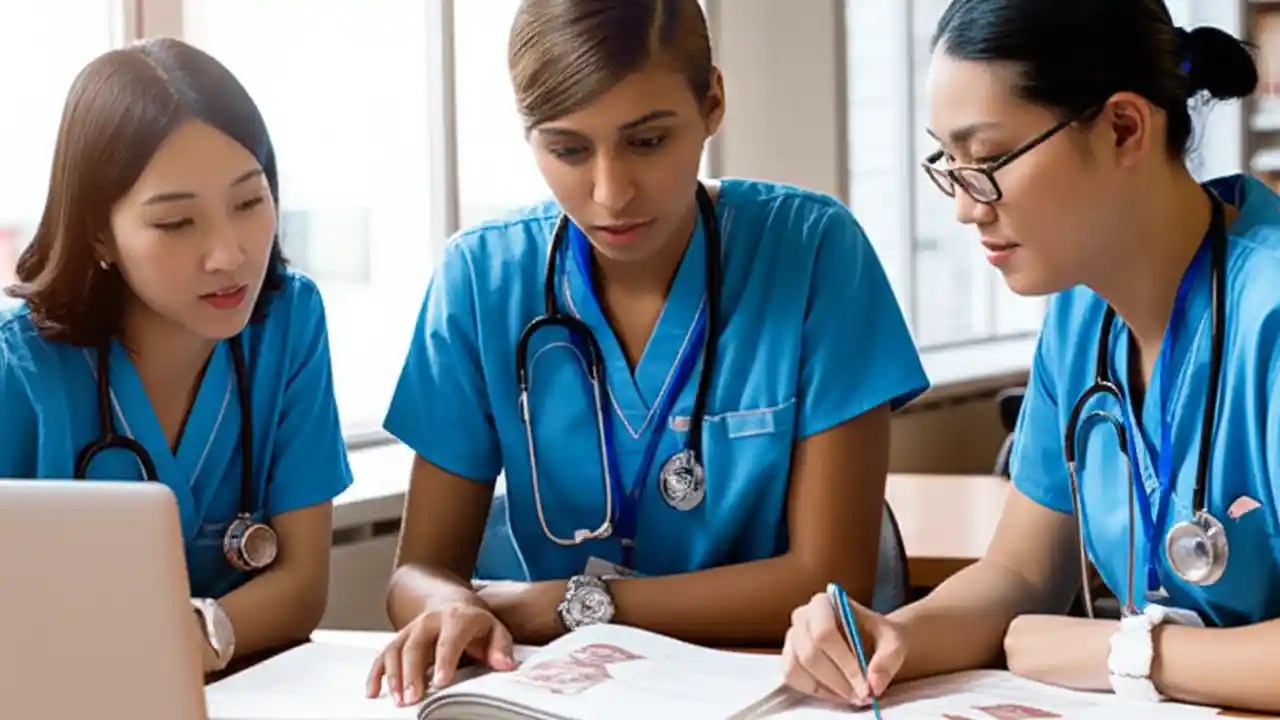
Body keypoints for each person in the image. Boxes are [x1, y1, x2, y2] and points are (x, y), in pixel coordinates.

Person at [367, 0, 928, 706]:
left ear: (712, 102)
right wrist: (449, 606)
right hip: (559, 695)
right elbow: (417, 572)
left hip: (774, 688)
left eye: (648, 141)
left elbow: (829, 580)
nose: (611, 192)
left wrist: (571, 605)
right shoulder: (482, 278)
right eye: (568, 150)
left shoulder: (814, 251)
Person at [781, 0, 1280, 714]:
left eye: (987, 160)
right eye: (949, 163)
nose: (965, 206)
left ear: (1123, 128)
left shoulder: (1270, 312)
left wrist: (1127, 653)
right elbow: (1021, 575)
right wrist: (890, 637)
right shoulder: (1082, 316)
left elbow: (1065, 635)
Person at [0, 38, 353, 676]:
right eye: (176, 223)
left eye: (249, 202)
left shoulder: (288, 319)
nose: (228, 255)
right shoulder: (20, 369)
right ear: (99, 233)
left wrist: (177, 646)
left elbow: (302, 589)